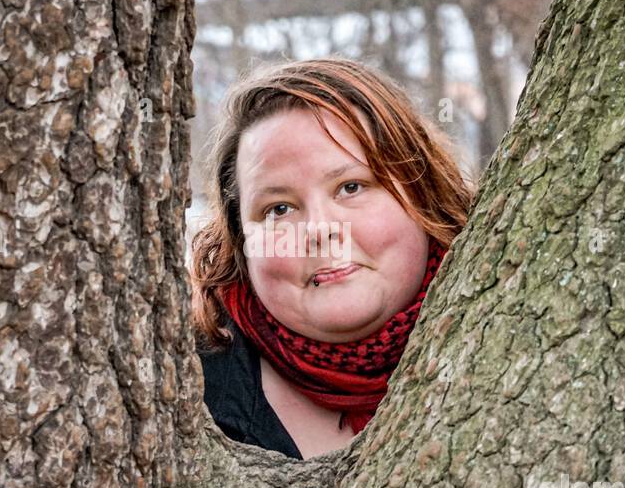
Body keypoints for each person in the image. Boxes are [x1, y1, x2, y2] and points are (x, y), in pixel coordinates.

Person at [190, 58, 474, 460]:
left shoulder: (508, 327)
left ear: (421, 192)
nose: (320, 230)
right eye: (279, 209)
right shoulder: (186, 390)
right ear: (241, 244)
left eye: (351, 187)